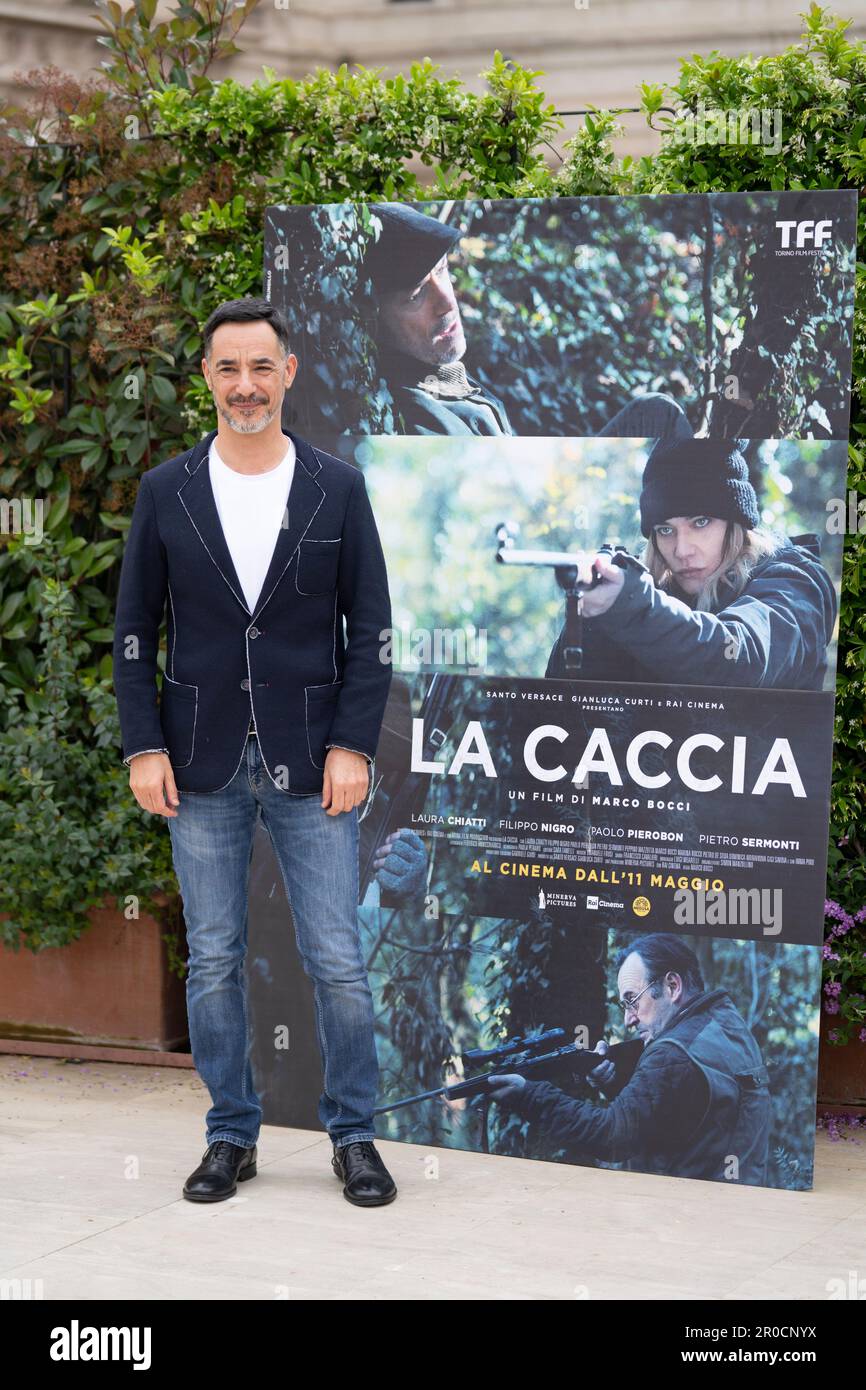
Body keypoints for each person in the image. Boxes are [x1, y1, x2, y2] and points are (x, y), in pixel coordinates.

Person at [112, 296, 397, 1208]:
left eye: (261, 367)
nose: (246, 385)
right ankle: (231, 1133)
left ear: (289, 373)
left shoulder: (337, 487)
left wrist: (353, 744)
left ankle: (354, 1136)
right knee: (216, 958)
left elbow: (373, 631)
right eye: (228, 369)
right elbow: (131, 633)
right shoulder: (166, 492)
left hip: (314, 763)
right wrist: (141, 746)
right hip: (197, 764)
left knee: (338, 960)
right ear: (207, 379)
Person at [363, 202, 692, 441]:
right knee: (657, 412)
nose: (448, 302)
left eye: (442, 271)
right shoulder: (419, 414)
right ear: (375, 320)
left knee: (656, 411)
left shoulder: (432, 370)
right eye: (416, 295)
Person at [545, 437, 837, 690]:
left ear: (735, 524)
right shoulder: (658, 596)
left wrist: (631, 605)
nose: (682, 550)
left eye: (700, 522)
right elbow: (569, 699)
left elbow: (740, 659)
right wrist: (597, 618)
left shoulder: (794, 581)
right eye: (665, 530)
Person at [487, 934, 771, 1184]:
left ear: (672, 986)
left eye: (632, 1000)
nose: (628, 1019)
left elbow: (611, 1135)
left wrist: (530, 1094)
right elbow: (683, 1111)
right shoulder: (727, 1022)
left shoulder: (671, 1053)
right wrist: (615, 1084)